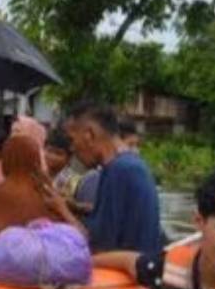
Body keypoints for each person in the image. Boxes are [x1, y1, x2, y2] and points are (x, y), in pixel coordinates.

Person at [63, 101, 161, 255]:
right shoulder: (125, 165)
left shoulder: (120, 170)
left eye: (72, 140)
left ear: (89, 135)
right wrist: (75, 207)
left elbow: (97, 245)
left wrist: (60, 209)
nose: (72, 148)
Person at [0, 134, 83, 264]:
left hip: (0, 269)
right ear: (36, 160)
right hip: (43, 270)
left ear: (5, 160)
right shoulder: (46, 192)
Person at [45, 127, 80, 199]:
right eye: (49, 151)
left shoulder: (75, 182)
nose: (52, 157)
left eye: (58, 153)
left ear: (69, 158)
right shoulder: (37, 175)